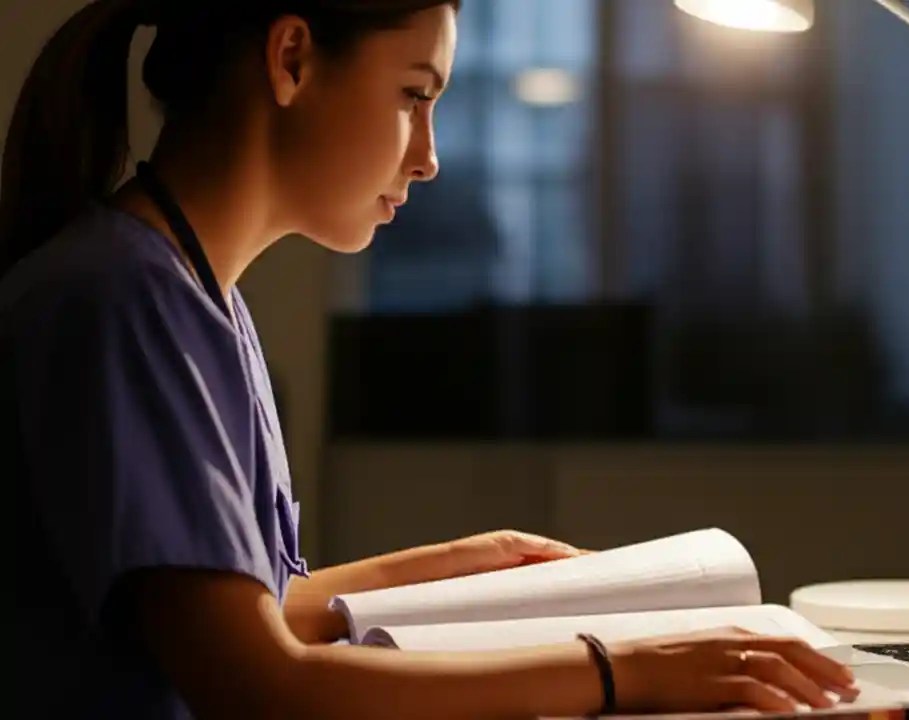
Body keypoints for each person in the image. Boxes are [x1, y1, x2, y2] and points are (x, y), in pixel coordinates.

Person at [0, 0, 860, 717]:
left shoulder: (193, 294)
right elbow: (255, 680)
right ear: (292, 58)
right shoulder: (125, 298)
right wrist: (620, 668)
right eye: (414, 95)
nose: (430, 156)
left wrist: (449, 569)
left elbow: (230, 607)